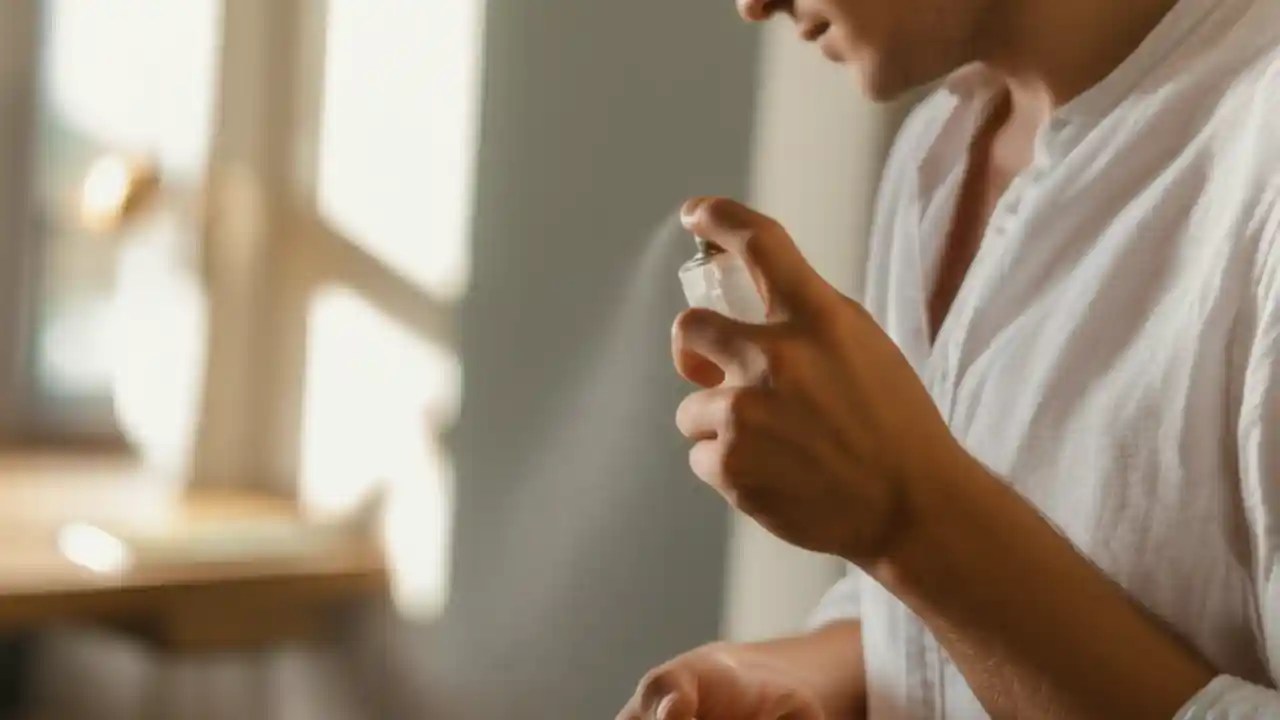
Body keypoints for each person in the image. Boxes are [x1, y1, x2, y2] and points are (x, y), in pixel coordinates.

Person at [616, 0, 1280, 718]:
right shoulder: (938, 148)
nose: (753, 5)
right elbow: (944, 620)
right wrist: (816, 678)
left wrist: (908, 520)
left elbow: (943, 551)